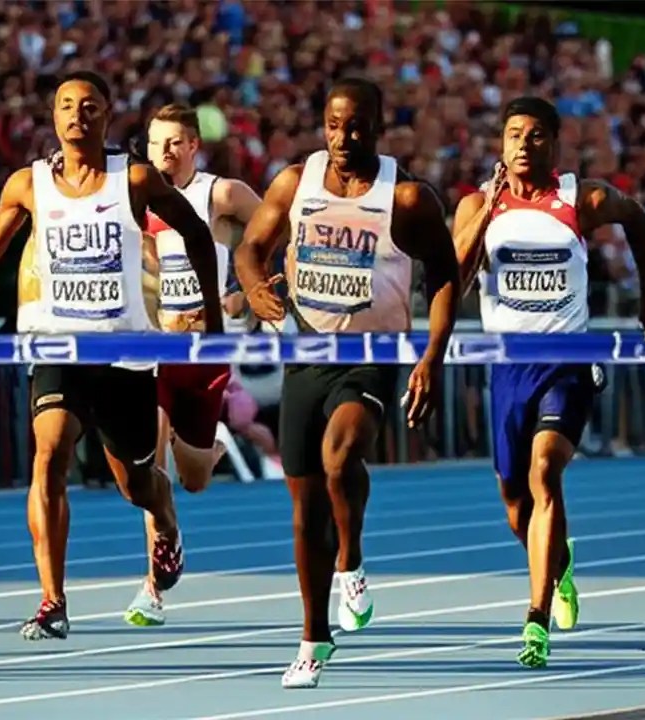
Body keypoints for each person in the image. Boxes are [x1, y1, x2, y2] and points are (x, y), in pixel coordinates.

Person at [0, 71, 224, 641]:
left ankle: (165, 520)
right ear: (54, 117)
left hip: (124, 356)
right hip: (58, 346)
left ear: (107, 115)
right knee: (49, 454)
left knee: (137, 485)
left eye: (90, 106)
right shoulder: (29, 184)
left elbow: (196, 233)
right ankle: (52, 599)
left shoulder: (135, 178)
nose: (78, 115)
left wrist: (215, 319)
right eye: (67, 105)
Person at [234, 77, 460, 689]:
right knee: (305, 510)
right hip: (306, 356)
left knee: (341, 455)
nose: (343, 137)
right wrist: (254, 287)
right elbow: (251, 248)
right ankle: (313, 638)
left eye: (356, 125)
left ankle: (350, 557)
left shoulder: (406, 198)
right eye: (334, 125)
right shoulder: (295, 183)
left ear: (378, 127)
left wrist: (431, 357)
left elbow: (444, 276)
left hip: (372, 356)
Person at [453, 97, 645, 669]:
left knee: (545, 469)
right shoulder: (477, 204)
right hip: (507, 366)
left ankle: (535, 618)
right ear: (501, 144)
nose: (524, 144)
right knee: (514, 504)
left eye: (536, 135)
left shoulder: (581, 199)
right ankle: (559, 565)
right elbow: (453, 276)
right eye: (514, 134)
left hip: (568, 360)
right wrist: (487, 207)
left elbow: (636, 217)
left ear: (554, 144)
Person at [123, 103, 263, 628]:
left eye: (174, 142)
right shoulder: (138, 199)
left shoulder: (220, 194)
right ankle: (153, 583)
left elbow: (278, 227)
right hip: (161, 347)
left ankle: (214, 448)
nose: (163, 151)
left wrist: (246, 293)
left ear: (192, 146)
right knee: (150, 459)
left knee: (195, 479)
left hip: (207, 353)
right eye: (155, 142)